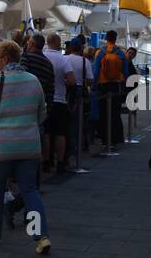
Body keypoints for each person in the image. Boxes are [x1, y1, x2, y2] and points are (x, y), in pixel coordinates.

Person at [0, 40, 51, 254]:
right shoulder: (33, 80)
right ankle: (40, 236)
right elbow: (42, 113)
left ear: (5, 59)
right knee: (30, 191)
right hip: (29, 146)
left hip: (2, 147)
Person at [20, 33, 55, 165]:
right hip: (39, 106)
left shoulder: (26, 57)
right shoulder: (48, 64)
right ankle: (36, 164)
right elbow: (51, 89)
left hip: (24, 104)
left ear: (33, 45)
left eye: (28, 42)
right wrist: (48, 109)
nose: (27, 44)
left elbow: (21, 78)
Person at [42, 32, 75, 173]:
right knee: (61, 133)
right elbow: (72, 81)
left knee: (47, 132)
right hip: (60, 99)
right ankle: (60, 162)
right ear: (58, 43)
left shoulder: (42, 56)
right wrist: (63, 83)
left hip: (44, 100)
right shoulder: (63, 60)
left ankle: (46, 161)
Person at [63, 38, 92, 167]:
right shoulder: (85, 61)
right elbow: (90, 80)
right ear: (80, 48)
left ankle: (65, 153)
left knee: (65, 124)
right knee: (78, 123)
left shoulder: (64, 59)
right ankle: (77, 148)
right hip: (79, 92)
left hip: (65, 91)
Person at [96, 31, 127, 147]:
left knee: (103, 113)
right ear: (115, 38)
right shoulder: (120, 53)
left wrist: (95, 85)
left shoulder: (100, 52)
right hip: (116, 86)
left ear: (106, 38)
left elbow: (96, 71)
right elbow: (125, 71)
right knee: (115, 113)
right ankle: (115, 139)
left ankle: (104, 139)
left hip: (103, 86)